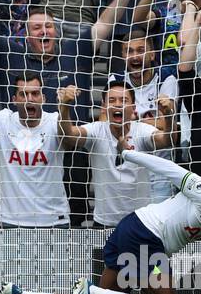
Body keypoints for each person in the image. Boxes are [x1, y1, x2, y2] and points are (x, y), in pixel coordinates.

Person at [0, 149, 201, 294]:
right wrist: (128, 154)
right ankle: (91, 291)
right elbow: (169, 169)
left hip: (133, 231)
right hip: (145, 234)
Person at [0, 66, 74, 227]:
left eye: (35, 93)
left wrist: (64, 107)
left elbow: (69, 138)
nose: (29, 99)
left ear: (43, 98)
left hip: (54, 220)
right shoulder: (3, 120)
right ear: (14, 99)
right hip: (11, 221)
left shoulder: (55, 121)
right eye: (23, 94)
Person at [58, 80, 176, 228]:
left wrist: (169, 115)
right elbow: (68, 136)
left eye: (123, 100)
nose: (118, 104)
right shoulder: (96, 131)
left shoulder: (142, 130)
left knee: (143, 252)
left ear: (133, 108)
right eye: (112, 100)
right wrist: (64, 106)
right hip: (103, 223)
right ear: (103, 107)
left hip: (140, 222)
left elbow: (168, 140)